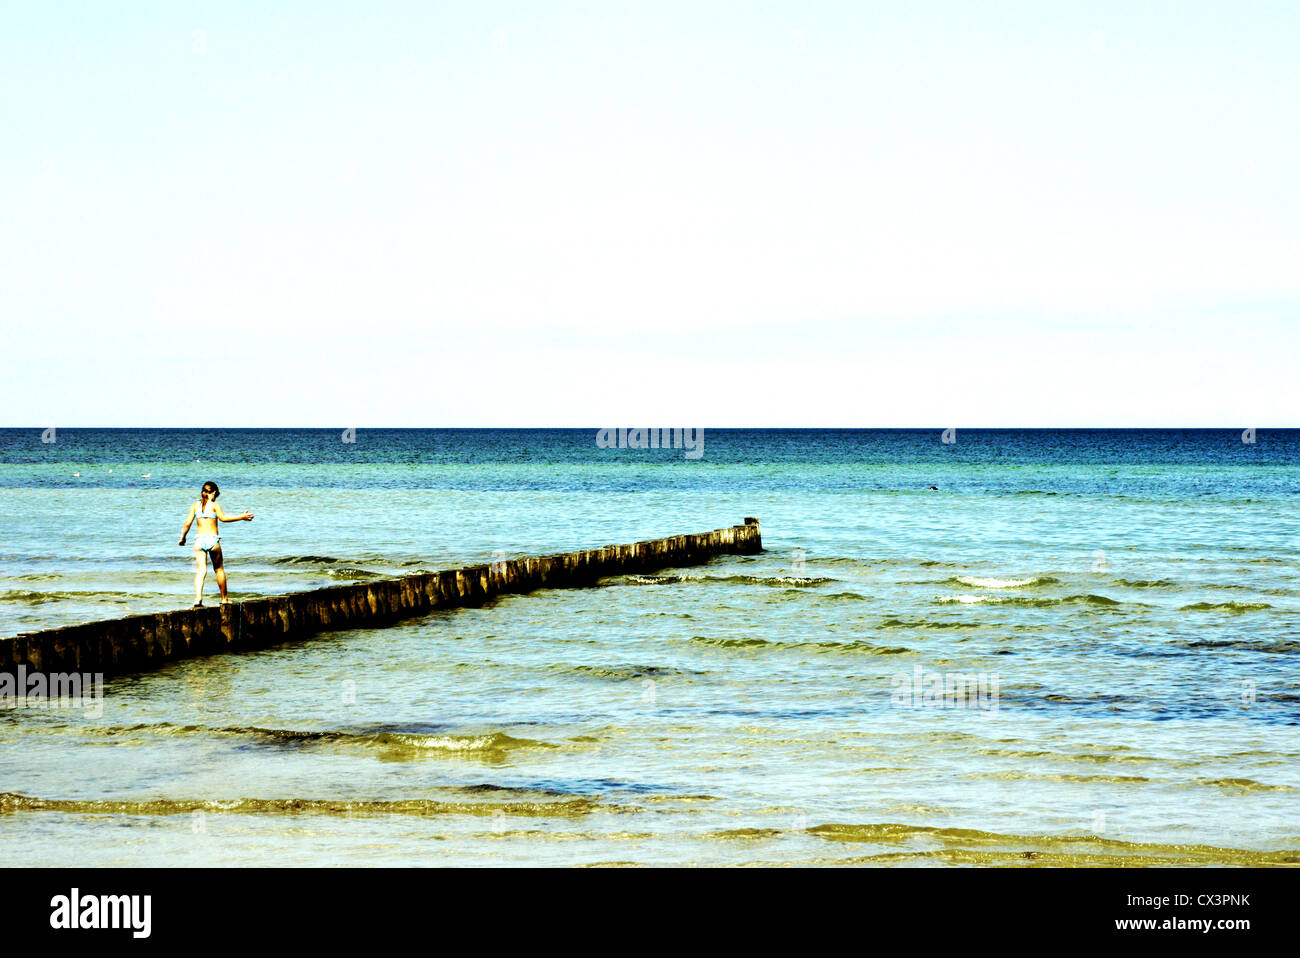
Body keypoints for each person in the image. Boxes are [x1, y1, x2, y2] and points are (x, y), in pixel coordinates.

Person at [179, 481, 254, 606]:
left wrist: (183, 538)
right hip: (213, 540)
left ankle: (198, 599)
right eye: (216, 494)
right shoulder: (215, 505)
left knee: (201, 571)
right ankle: (224, 599)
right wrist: (241, 517)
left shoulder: (195, 506)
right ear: (213, 493)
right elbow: (223, 518)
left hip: (199, 540)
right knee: (219, 569)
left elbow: (187, 523)